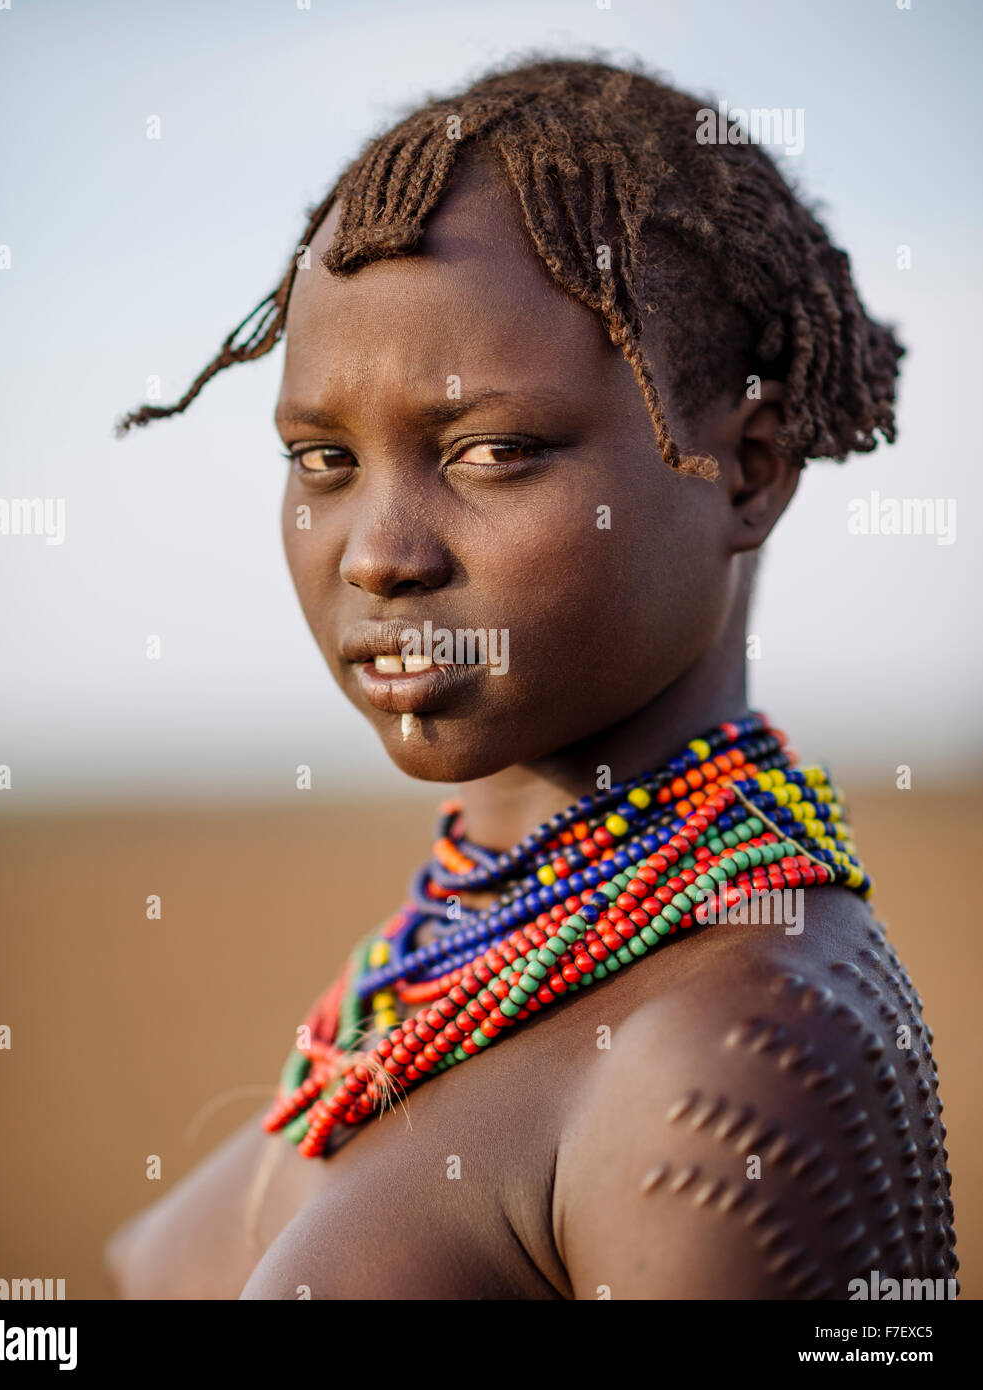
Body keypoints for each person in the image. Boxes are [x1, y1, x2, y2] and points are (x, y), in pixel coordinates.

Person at [105, 57, 956, 1300]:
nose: (380, 555)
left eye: (493, 449)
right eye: (323, 457)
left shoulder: (723, 1062)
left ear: (752, 469)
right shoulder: (435, 980)